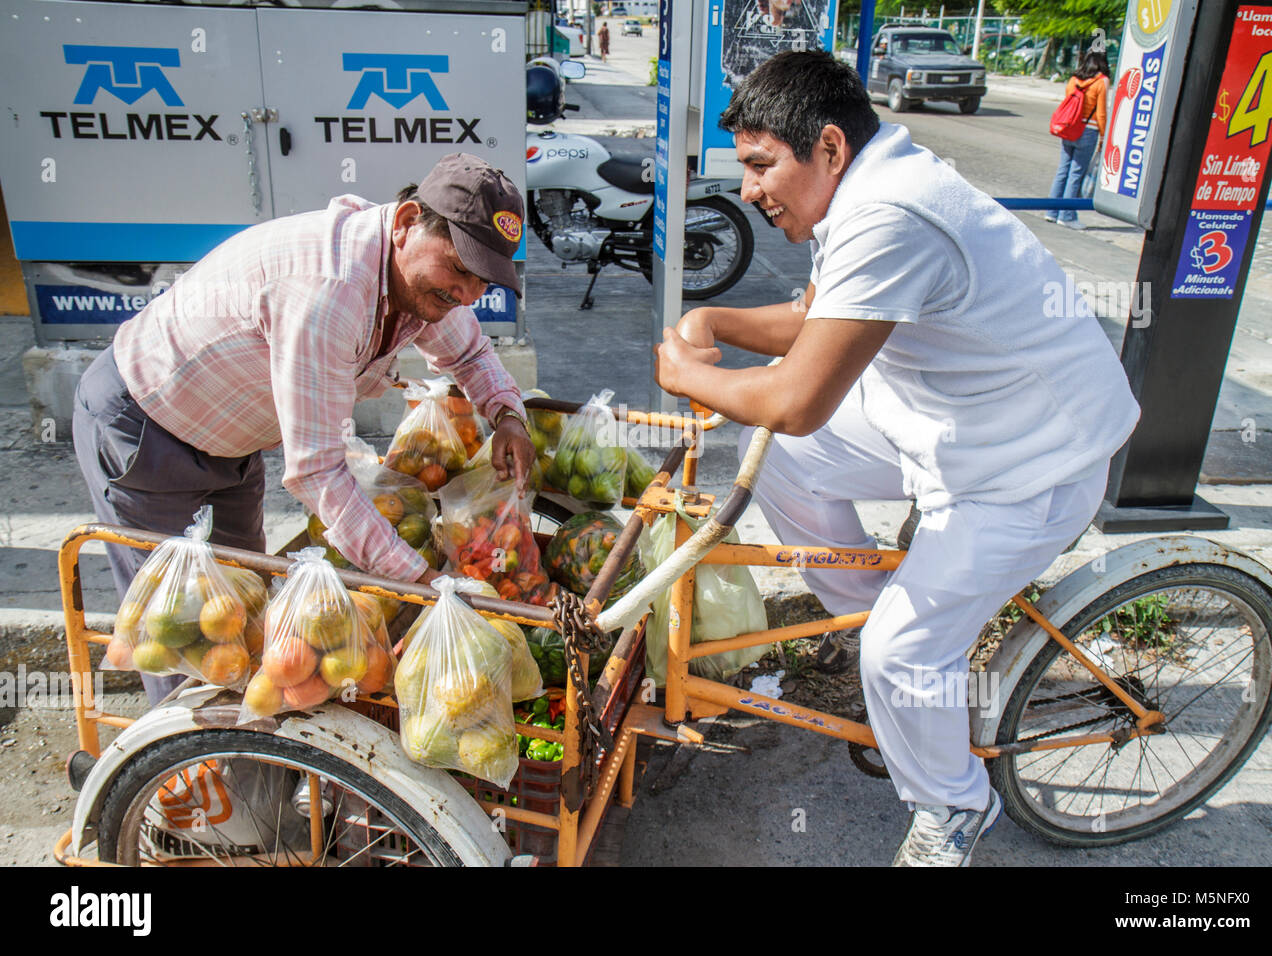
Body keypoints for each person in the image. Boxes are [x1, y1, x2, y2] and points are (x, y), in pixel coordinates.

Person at [653, 51, 1140, 866]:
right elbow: (817, 316)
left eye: (760, 164)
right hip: (952, 421)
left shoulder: (891, 212)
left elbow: (799, 401)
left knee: (903, 654)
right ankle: (894, 645)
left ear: (831, 149)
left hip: (1027, 465)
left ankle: (952, 805)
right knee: (778, 462)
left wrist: (687, 373)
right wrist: (717, 321)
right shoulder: (866, 187)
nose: (747, 189)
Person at [73, 152, 535, 704]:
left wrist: (507, 413)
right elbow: (318, 473)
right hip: (146, 430)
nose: (466, 294)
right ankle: (177, 779)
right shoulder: (329, 291)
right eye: (459, 269)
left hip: (232, 444)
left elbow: (470, 351)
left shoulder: (414, 278)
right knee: (186, 644)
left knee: (248, 625)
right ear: (409, 222)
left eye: (482, 279)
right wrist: (418, 580)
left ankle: (250, 768)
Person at [1045, 47, 1110, 230]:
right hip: (1088, 131)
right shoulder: (1102, 82)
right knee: (1076, 173)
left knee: (1063, 170)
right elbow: (1101, 113)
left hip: (1069, 129)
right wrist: (1104, 136)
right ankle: (1067, 215)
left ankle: (1051, 211)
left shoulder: (1074, 79)